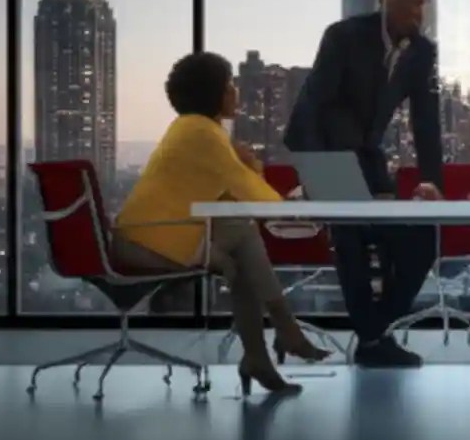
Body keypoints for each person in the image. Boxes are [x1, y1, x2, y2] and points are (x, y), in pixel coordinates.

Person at [114, 52, 331, 396]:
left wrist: (250, 168)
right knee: (242, 244)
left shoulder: (193, 128)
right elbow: (244, 188)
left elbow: (232, 195)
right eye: (229, 85)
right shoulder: (202, 133)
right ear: (213, 92)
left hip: (157, 232)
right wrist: (288, 207)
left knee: (241, 239)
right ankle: (277, 337)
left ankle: (267, 348)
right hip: (149, 239)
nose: (236, 92)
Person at [284, 0, 444, 368]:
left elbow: (425, 121)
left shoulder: (421, 51)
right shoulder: (344, 36)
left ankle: (373, 332)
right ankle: (376, 341)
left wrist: (430, 181)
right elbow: (315, 104)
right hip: (321, 147)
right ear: (387, 0)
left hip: (366, 153)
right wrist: (320, 176)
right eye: (411, 4)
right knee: (351, 234)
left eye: (422, 4)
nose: (418, 13)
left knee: (419, 238)